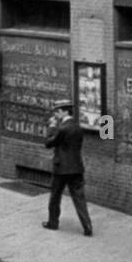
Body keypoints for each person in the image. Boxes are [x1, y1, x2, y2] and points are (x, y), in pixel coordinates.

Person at [42, 98, 93, 237]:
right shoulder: (77, 127)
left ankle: (53, 223)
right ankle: (87, 225)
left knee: (55, 197)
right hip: (77, 168)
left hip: (61, 169)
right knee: (79, 198)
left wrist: (51, 127)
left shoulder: (62, 128)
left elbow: (48, 143)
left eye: (57, 112)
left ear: (64, 112)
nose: (56, 115)